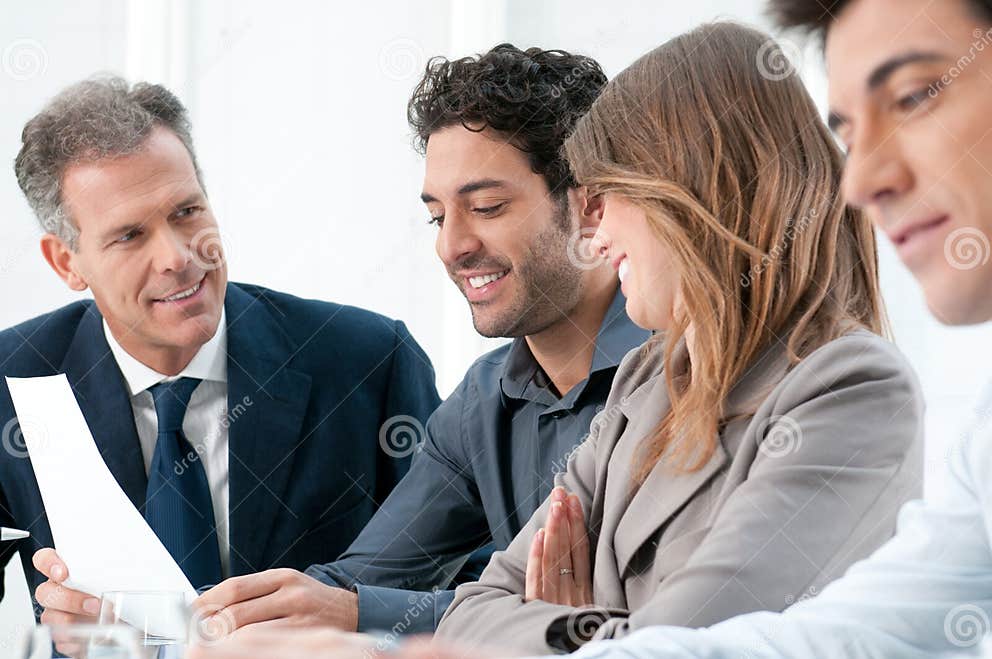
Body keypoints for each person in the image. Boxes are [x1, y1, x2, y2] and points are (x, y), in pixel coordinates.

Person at [432, 21, 924, 656]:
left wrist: (583, 626)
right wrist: (608, 634)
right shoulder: (647, 379)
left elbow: (690, 647)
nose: (596, 236)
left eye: (607, 198)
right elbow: (468, 613)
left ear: (689, 191)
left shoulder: (850, 390)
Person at [191, 44, 650, 638]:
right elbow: (359, 582)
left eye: (485, 206)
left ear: (589, 208)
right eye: (438, 216)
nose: (452, 246)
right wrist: (168, 619)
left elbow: (662, 622)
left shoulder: (686, 371)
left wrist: (524, 622)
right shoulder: (484, 399)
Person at [0, 77, 439, 655]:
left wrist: (353, 617)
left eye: (187, 212)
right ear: (67, 262)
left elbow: (472, 593)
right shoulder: (14, 381)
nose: (179, 257)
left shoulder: (366, 361)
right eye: (131, 235)